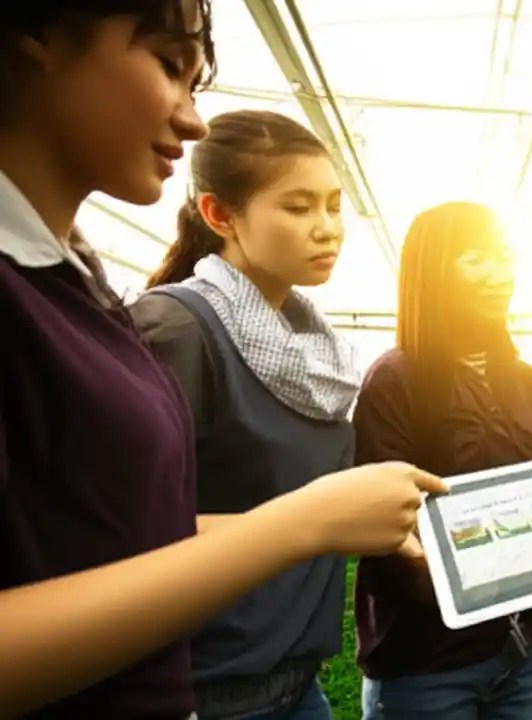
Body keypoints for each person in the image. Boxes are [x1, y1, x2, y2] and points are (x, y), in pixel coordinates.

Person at [0, 3, 442, 717]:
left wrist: (339, 520)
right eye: (169, 66)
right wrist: (302, 524)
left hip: (282, 676)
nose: (195, 119)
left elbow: (140, 527)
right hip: (220, 683)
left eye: (334, 206)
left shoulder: (82, 292)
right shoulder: (174, 324)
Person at [128, 109, 369, 719]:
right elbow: (129, 533)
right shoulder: (178, 330)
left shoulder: (315, 345)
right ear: (220, 215)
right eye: (298, 207)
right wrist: (319, 520)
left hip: (296, 682)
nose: (327, 229)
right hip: (207, 692)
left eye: (334, 205)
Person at [354, 201, 532, 720]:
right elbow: (386, 533)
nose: (500, 275)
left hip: (521, 659)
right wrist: (481, 580)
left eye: (503, 257)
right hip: (427, 667)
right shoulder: (395, 382)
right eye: (477, 259)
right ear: (432, 273)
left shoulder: (529, 384)